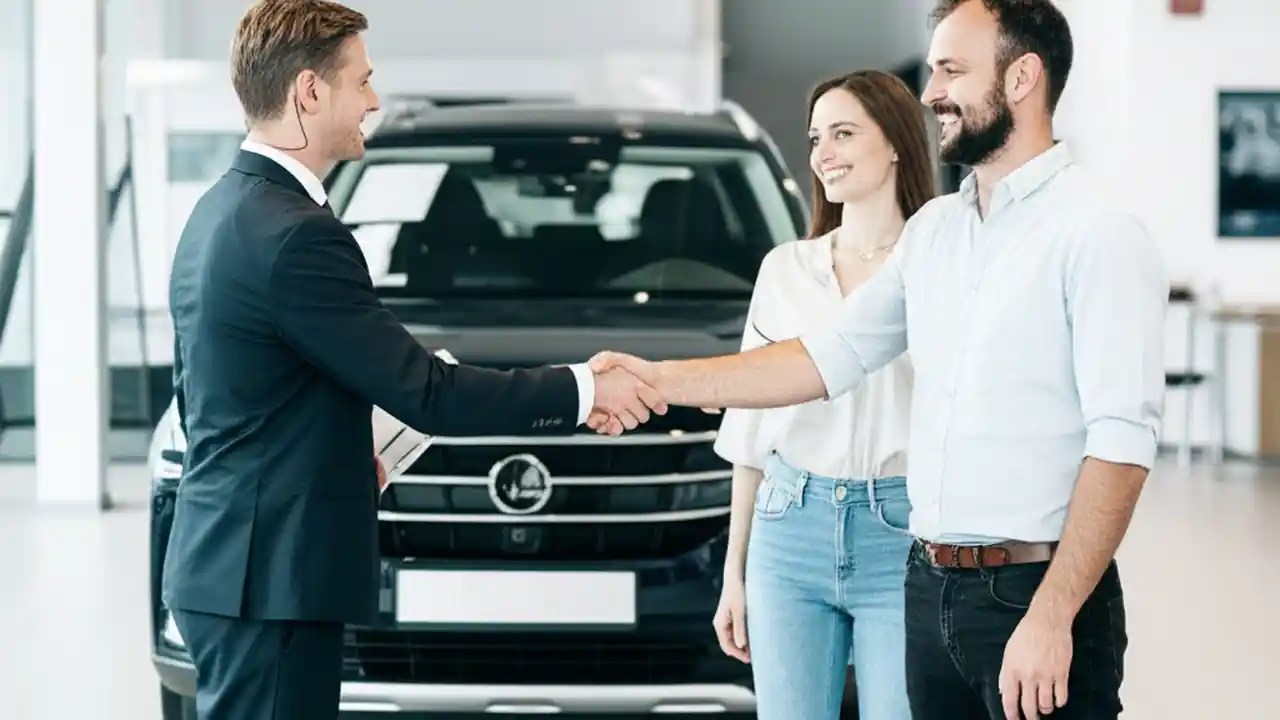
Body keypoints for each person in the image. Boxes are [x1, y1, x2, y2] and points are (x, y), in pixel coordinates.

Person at [588, 1, 1169, 718]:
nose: (930, 93)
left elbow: (1122, 444)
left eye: (952, 70)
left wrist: (1052, 615)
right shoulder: (938, 231)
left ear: (1023, 77)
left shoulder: (1097, 234)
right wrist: (657, 379)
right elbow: (823, 358)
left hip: (1032, 590)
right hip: (929, 586)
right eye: (932, 71)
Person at [163, 2, 663, 718]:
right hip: (270, 576)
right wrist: (585, 388)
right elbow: (428, 392)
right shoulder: (297, 235)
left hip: (234, 563)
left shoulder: (221, 209)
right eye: (361, 82)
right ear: (309, 91)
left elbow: (221, 395)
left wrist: (335, 456)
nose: (373, 100)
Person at [709, 70, 933, 719]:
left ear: (895, 142)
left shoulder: (935, 262)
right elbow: (750, 435)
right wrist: (735, 573)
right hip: (789, 524)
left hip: (901, 528)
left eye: (842, 133)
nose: (821, 153)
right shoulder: (786, 269)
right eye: (815, 138)